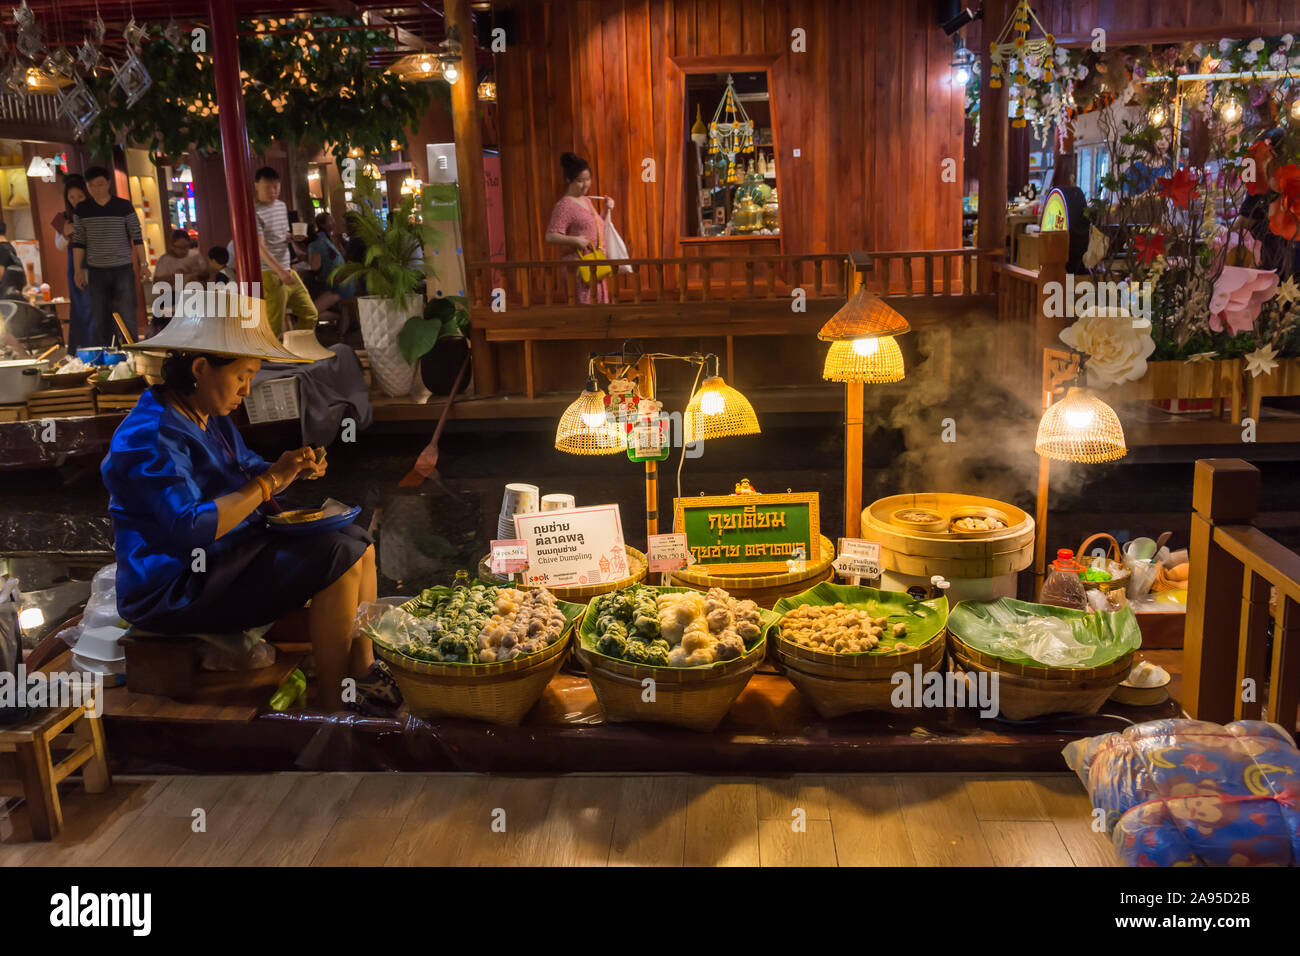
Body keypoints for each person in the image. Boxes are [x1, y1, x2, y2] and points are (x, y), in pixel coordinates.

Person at [102, 303, 382, 711]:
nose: (247, 389)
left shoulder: (206, 412)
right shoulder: (149, 436)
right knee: (338, 555)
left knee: (360, 540)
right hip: (174, 587)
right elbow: (190, 527)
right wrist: (270, 480)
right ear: (200, 368)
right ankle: (336, 699)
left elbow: (245, 467)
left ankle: (365, 673)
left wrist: (290, 469)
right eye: (242, 376)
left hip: (227, 556)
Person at [72, 165, 151, 345]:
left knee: (128, 314)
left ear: (108, 183)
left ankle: (132, 354)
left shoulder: (123, 206)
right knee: (100, 318)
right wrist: (77, 270)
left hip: (122, 268)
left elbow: (137, 237)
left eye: (100, 184)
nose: (96, 189)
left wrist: (143, 264)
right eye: (92, 186)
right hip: (96, 270)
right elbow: (79, 242)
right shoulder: (82, 210)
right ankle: (108, 356)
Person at [254, 167, 317, 336]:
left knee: (310, 314)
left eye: (276, 186)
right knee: (274, 325)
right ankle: (273, 359)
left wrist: (292, 237)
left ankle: (296, 348)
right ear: (256, 186)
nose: (273, 191)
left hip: (288, 269)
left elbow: (280, 234)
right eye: (268, 187)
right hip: (270, 272)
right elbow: (260, 247)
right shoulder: (255, 211)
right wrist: (280, 272)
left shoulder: (281, 206)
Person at [544, 152, 614, 304]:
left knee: (600, 313)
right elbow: (550, 236)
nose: (586, 184)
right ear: (569, 180)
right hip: (579, 270)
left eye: (588, 179)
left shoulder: (586, 200)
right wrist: (575, 240)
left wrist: (606, 210)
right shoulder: (565, 205)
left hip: (594, 265)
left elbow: (594, 228)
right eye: (580, 181)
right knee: (586, 314)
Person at [50, 175, 95, 352]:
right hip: (73, 267)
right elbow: (59, 246)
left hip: (94, 265)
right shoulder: (63, 217)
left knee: (94, 307)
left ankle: (97, 346)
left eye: (80, 196)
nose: (75, 201)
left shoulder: (95, 214)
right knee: (79, 308)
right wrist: (64, 233)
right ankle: (80, 350)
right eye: (71, 197)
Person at [149, 229, 208, 333]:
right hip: (172, 296)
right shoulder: (165, 260)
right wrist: (174, 276)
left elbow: (206, 274)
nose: (183, 250)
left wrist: (196, 274)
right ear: (172, 246)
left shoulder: (194, 256)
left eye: (186, 247)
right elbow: (157, 282)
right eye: (179, 247)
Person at [0, 220, 25, 299]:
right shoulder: (10, 247)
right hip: (14, 292)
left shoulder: (1, 248)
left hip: (5, 295)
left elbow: (0, 273)